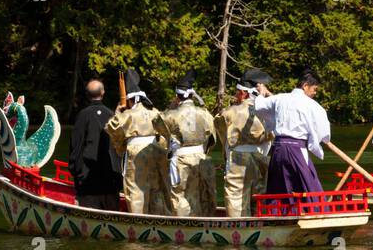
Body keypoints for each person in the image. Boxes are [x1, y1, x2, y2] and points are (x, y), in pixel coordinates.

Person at [105, 69, 172, 215]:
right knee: (156, 187)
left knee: (135, 189)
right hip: (157, 150)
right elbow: (166, 131)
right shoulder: (154, 111)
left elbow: (111, 128)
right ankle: (160, 218)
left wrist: (118, 111)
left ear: (129, 100)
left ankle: (138, 219)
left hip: (136, 153)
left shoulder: (128, 114)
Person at [254, 70, 330, 194]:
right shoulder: (313, 106)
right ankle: (311, 211)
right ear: (305, 86)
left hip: (278, 149)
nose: (315, 93)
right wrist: (317, 138)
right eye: (314, 89)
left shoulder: (280, 99)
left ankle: (277, 212)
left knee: (279, 186)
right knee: (309, 185)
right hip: (296, 149)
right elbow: (324, 133)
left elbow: (259, 107)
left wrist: (262, 93)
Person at [215, 73, 272, 218]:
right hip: (261, 157)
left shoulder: (229, 112)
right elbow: (273, 133)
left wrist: (226, 154)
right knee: (258, 194)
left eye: (236, 92)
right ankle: (260, 223)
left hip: (238, 158)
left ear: (243, 93)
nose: (235, 96)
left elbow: (220, 129)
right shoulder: (266, 112)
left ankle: (237, 228)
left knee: (236, 196)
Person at [163, 71, 217, 217]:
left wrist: (170, 107)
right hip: (201, 157)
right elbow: (212, 138)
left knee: (180, 195)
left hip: (181, 159)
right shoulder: (205, 113)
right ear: (192, 95)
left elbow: (159, 130)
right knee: (202, 194)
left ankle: (182, 227)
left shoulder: (170, 115)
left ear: (177, 97)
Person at [69, 77, 122, 210]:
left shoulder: (82, 115)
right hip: (110, 179)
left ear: (87, 95)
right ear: (103, 92)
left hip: (88, 180)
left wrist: (75, 170)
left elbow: (76, 146)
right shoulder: (112, 116)